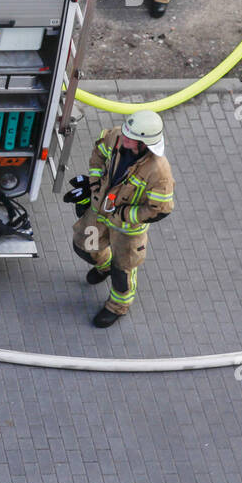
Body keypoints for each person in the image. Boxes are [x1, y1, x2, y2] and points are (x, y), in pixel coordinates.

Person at [64, 110, 175, 328]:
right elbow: (98, 155)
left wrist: (125, 215)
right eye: (125, 133)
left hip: (127, 230)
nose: (123, 138)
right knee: (85, 247)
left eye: (130, 138)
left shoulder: (159, 172)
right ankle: (104, 266)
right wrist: (95, 185)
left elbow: (160, 209)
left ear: (145, 144)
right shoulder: (116, 137)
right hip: (99, 212)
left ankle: (118, 307)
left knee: (122, 270)